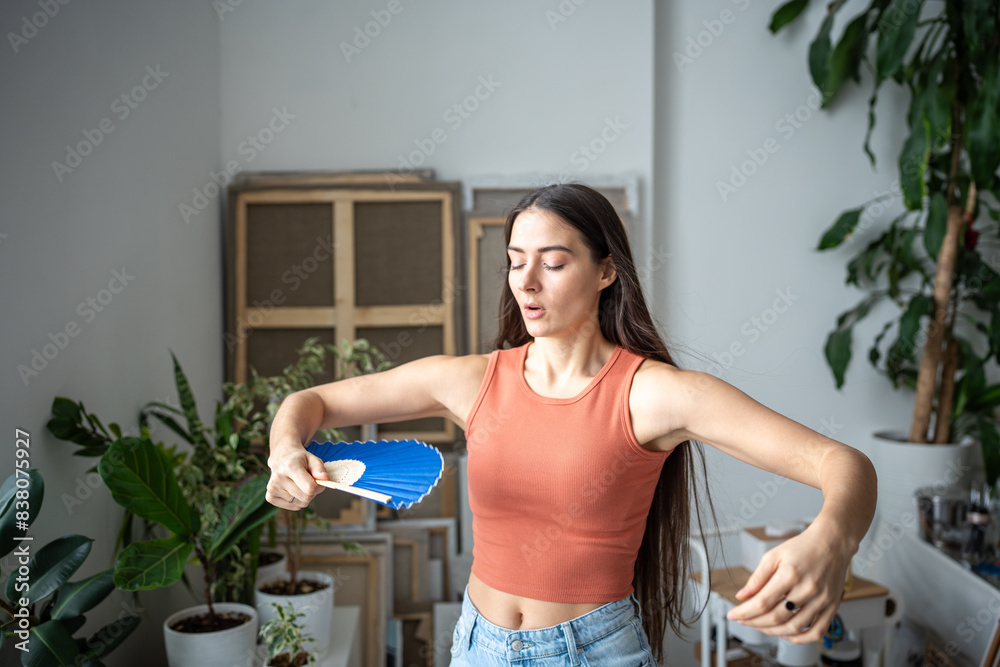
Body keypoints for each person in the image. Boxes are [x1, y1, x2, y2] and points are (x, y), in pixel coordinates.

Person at [265, 183, 877, 666]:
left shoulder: (654, 395)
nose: (526, 283)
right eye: (514, 263)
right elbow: (308, 402)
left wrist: (831, 538)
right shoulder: (471, 379)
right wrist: (287, 452)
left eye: (552, 264)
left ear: (606, 272)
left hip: (593, 652)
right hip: (477, 649)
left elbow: (843, 463)